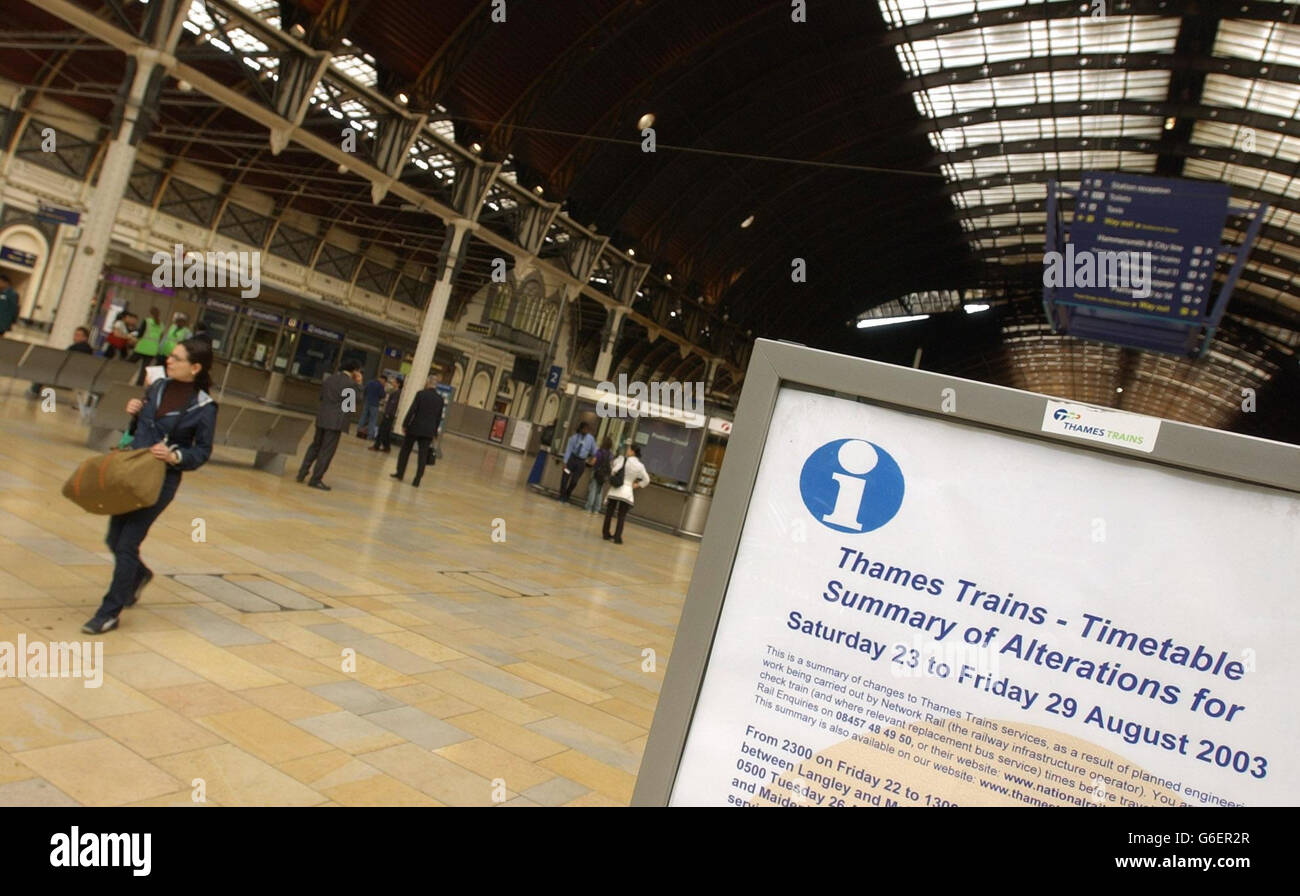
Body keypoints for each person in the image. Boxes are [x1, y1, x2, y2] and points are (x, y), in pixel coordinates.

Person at [81, 337, 218, 634]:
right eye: (170, 356)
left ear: (195, 367)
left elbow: (202, 451)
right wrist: (134, 413)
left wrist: (175, 455)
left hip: (161, 480)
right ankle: (139, 575)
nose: (169, 360)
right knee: (113, 540)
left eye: (177, 358)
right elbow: (139, 430)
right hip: (132, 471)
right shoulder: (156, 387)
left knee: (128, 542)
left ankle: (109, 611)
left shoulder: (204, 407)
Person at [296, 359, 362, 491]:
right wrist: (359, 384)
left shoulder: (330, 379)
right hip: (335, 422)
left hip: (322, 417)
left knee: (315, 446)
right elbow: (350, 405)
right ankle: (316, 479)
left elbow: (321, 397)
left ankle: (302, 473)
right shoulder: (350, 384)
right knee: (327, 451)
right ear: (354, 371)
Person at [391, 372, 445, 487]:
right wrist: (434, 432)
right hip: (428, 431)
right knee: (422, 455)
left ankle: (400, 473)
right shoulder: (440, 399)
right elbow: (438, 418)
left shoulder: (421, 394)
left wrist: (405, 424)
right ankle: (417, 480)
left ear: (428, 382)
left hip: (415, 428)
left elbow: (412, 410)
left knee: (405, 450)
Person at [602, 444, 650, 545]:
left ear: (632, 452)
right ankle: (617, 537)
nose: (627, 451)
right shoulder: (640, 466)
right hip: (627, 491)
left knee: (609, 513)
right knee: (621, 516)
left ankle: (606, 534)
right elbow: (647, 480)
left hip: (616, 489)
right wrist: (636, 485)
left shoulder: (622, 459)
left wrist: (614, 476)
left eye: (629, 449)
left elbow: (613, 470)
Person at [558, 421, 596, 503]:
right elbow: (568, 450)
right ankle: (562, 496)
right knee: (565, 478)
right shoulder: (574, 438)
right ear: (581, 429)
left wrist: (593, 459)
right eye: (584, 429)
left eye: (587, 429)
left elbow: (594, 451)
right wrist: (565, 462)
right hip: (572, 460)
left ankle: (567, 494)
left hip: (581, 462)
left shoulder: (591, 439)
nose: (586, 431)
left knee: (574, 481)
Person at [369, 375, 402, 452]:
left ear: (398, 384)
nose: (393, 382)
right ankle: (387, 447)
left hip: (389, 414)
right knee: (386, 432)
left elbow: (392, 404)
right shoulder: (394, 391)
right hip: (389, 414)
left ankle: (376, 446)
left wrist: (388, 413)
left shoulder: (397, 393)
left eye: (394, 382)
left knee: (382, 430)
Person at [132, 307, 163, 385]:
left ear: (150, 313)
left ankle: (122, 375)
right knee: (144, 368)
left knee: (130, 362)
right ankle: (139, 383)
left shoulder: (147, 321)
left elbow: (140, 333)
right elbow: (160, 337)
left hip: (142, 347)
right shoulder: (162, 324)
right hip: (152, 349)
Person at [584, 436, 614, 514]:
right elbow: (611, 465)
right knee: (599, 491)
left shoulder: (599, 452)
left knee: (593, 490)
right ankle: (597, 509)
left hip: (596, 472)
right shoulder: (611, 455)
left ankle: (589, 507)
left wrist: (588, 462)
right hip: (604, 475)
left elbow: (593, 462)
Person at [358, 372, 385, 439]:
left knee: (363, 417)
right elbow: (382, 395)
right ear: (383, 379)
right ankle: (370, 435)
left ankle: (359, 431)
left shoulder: (370, 382)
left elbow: (365, 390)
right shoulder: (380, 386)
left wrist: (366, 397)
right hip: (375, 404)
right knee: (372, 420)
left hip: (367, 402)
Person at [0, 273, 18, 337]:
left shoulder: (12, 294)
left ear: (6, 283)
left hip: (2, 323)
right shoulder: (1, 292)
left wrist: (12, 321)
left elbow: (14, 309)